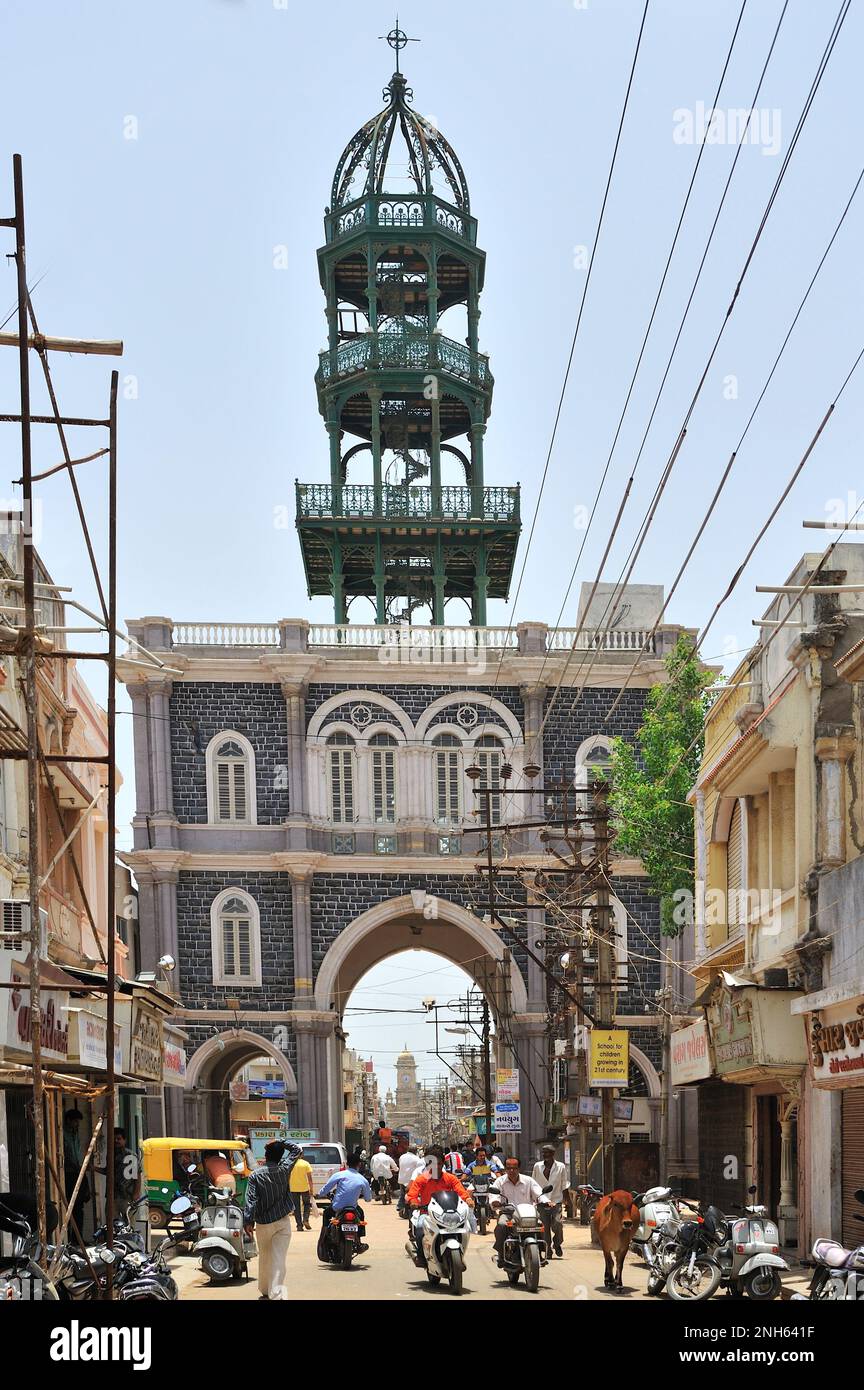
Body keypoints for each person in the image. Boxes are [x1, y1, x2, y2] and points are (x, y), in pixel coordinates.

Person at [242, 1139, 300, 1300]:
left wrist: (248, 1221)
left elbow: (251, 1200)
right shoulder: (285, 1169)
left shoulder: (255, 1176)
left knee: (265, 1256)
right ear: (281, 1156)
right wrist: (280, 1141)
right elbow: (296, 1150)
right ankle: (276, 1293)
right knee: (278, 1258)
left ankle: (265, 1289)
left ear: (266, 1156)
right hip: (282, 1222)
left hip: (263, 1223)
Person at [406, 1145, 474, 1266]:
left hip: (448, 1214)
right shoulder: (422, 1179)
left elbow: (461, 1191)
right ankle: (421, 1257)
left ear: (443, 1163)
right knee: (420, 1227)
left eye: (439, 1163)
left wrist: (468, 1199)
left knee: (465, 1227)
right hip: (427, 1214)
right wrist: (414, 1202)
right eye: (433, 1163)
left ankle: (460, 1255)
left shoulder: (450, 1178)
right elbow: (412, 1194)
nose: (436, 1166)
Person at [490, 1156, 544, 1268]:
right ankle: (501, 1253)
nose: (511, 1171)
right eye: (508, 1168)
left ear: (519, 1168)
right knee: (501, 1225)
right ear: (505, 1169)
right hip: (508, 1213)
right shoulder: (499, 1182)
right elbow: (494, 1196)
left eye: (514, 1168)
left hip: (527, 1214)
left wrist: (546, 1201)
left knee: (539, 1225)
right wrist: (495, 1202)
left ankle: (540, 1252)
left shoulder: (528, 1181)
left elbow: (539, 1194)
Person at [319, 1153, 373, 1254]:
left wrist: (321, 1194)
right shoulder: (363, 1179)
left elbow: (325, 1189)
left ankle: (324, 1238)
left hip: (337, 1207)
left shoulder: (339, 1175)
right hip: (353, 1208)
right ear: (359, 1164)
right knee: (361, 1215)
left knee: (326, 1213)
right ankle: (360, 1241)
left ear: (347, 1163)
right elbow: (368, 1199)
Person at [531, 1144, 569, 1258]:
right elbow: (533, 1183)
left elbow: (564, 1183)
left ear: (552, 1154)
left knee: (558, 1224)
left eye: (547, 1152)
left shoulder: (560, 1166)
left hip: (556, 1200)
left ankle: (557, 1243)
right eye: (543, 1153)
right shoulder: (537, 1166)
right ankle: (548, 1250)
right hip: (541, 1202)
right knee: (544, 1227)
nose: (544, 1155)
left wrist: (567, 1200)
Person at [62, 1108, 91, 1243]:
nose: (77, 1124)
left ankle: (78, 1238)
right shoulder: (62, 1135)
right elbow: (66, 1157)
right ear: (68, 1120)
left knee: (79, 1208)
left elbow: (78, 1155)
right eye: (75, 1121)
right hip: (69, 1175)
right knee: (69, 1208)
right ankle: (68, 1239)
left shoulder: (75, 1135)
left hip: (79, 1173)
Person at [289, 1149, 314, 1231]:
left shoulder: (290, 1164)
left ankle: (299, 1225)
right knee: (307, 1204)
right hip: (304, 1188)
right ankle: (305, 1220)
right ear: (302, 1155)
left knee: (296, 1207)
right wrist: (311, 1189)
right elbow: (310, 1178)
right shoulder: (305, 1164)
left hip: (293, 1188)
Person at [397, 1145, 424, 1215]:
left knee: (402, 1194)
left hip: (402, 1178)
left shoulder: (402, 1157)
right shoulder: (416, 1159)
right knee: (412, 1196)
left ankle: (400, 1207)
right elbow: (419, 1170)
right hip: (410, 1181)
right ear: (415, 1151)